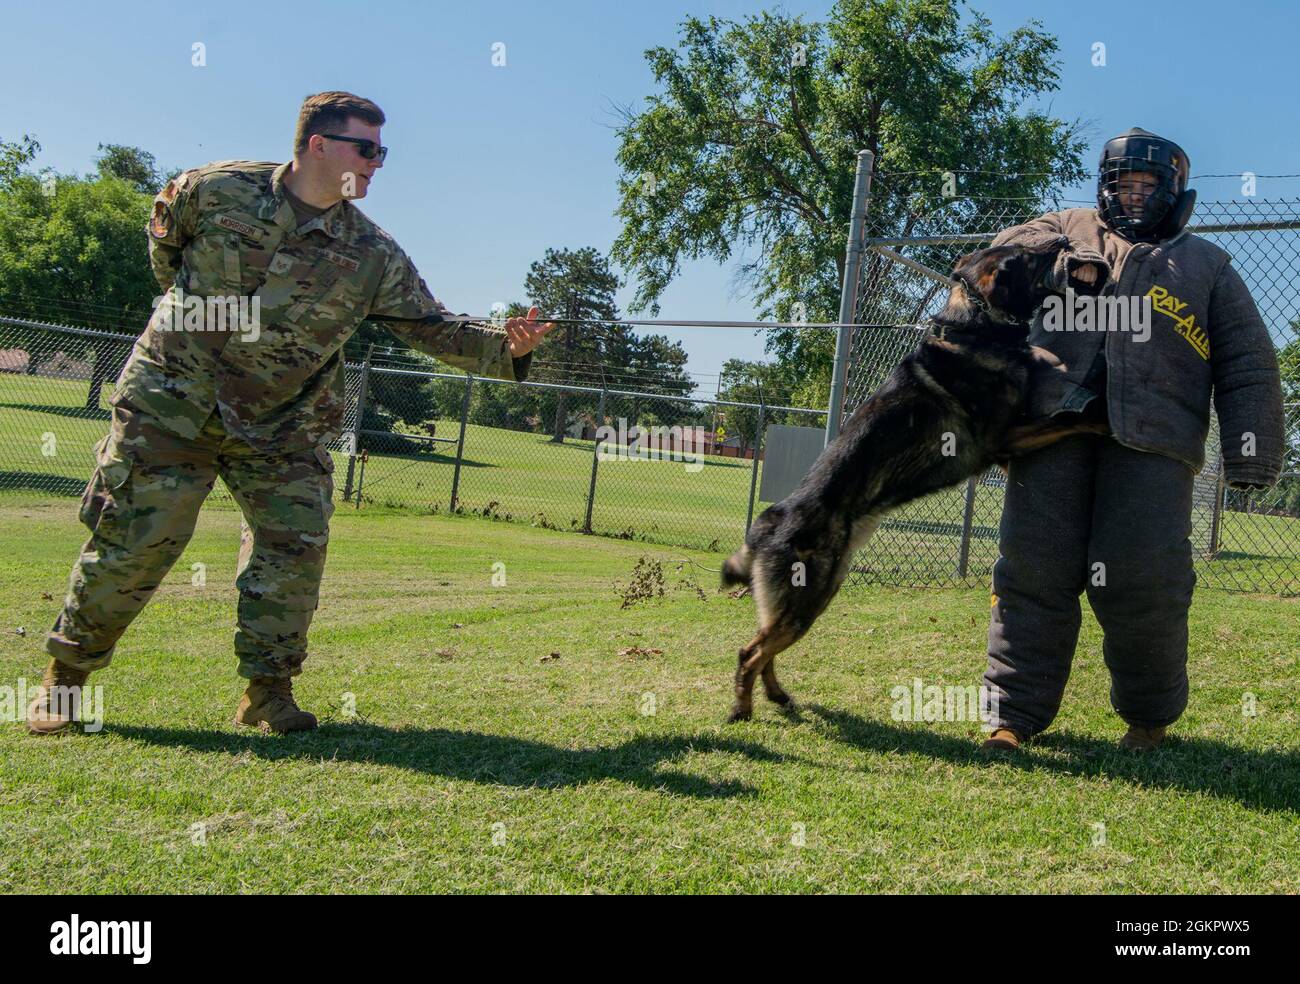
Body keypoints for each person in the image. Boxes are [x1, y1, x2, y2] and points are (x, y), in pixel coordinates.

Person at [28, 91, 552, 734]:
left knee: (293, 548)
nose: (378, 163)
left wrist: (507, 348)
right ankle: (67, 682)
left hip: (283, 423)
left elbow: (433, 328)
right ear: (318, 145)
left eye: (383, 152)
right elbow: (166, 256)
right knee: (134, 543)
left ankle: (268, 693)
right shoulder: (215, 190)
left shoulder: (372, 254)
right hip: (172, 404)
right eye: (368, 148)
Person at [981, 128, 1284, 752]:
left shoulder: (1205, 265)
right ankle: (1010, 717)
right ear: (1105, 184)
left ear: (1176, 190)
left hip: (1154, 445)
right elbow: (996, 263)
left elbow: (1249, 362)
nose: (1135, 194)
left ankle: (1148, 720)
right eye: (1124, 182)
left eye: (1150, 184)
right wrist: (1060, 265)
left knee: (1143, 581)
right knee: (1033, 572)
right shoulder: (1067, 227)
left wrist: (1252, 449)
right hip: (1051, 433)